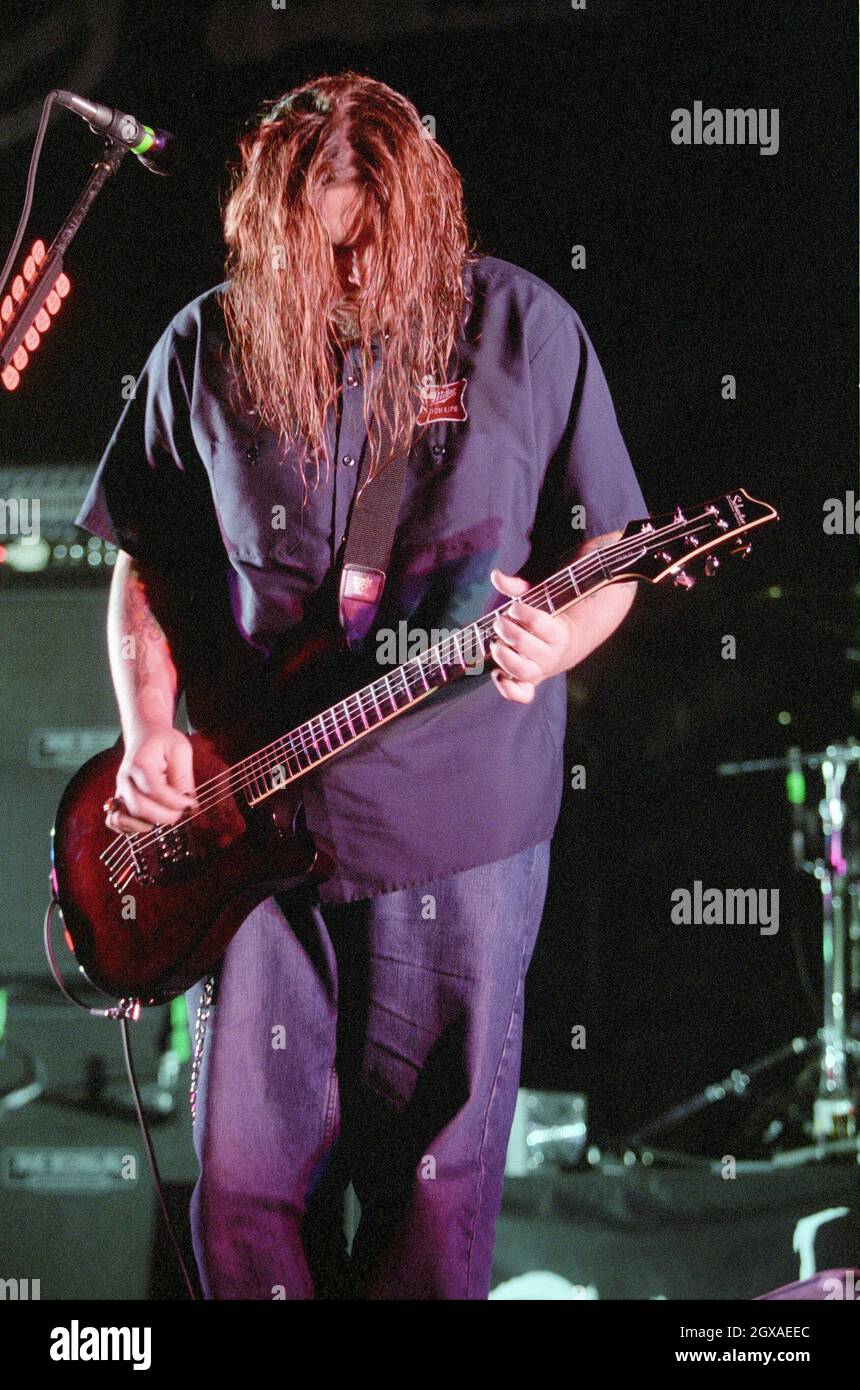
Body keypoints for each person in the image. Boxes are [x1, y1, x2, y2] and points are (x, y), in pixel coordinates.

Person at [76, 71, 646, 1300]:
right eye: (318, 254)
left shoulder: (520, 331)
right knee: (241, 1200)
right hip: (250, 832)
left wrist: (562, 637)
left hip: (459, 828)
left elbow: (617, 553)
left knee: (429, 1208)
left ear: (427, 221)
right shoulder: (205, 344)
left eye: (371, 253)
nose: (346, 284)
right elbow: (146, 564)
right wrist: (144, 732)